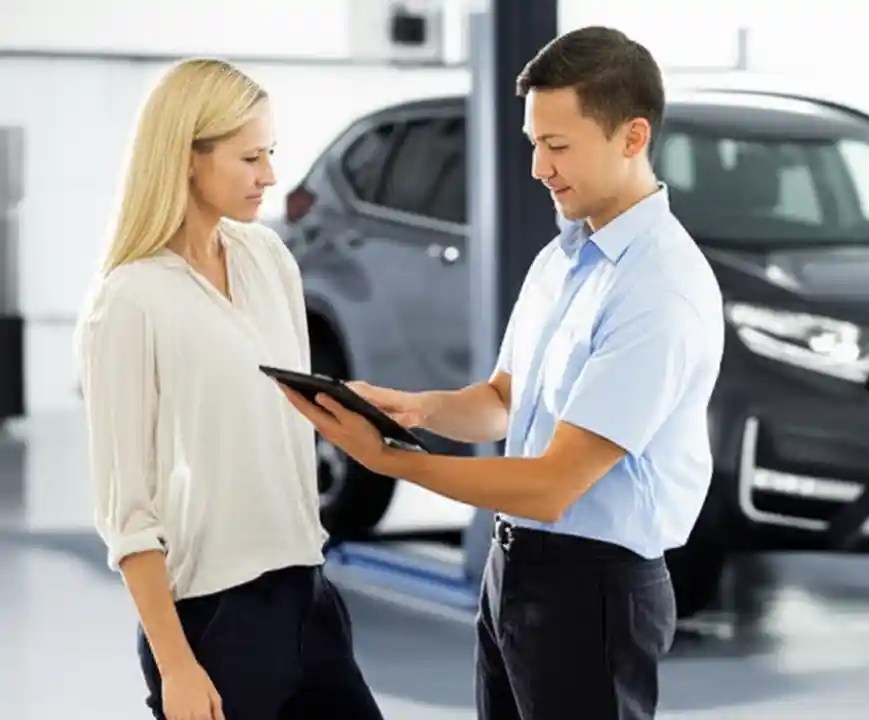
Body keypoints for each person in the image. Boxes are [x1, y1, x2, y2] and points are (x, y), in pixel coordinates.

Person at [279, 25, 725, 720]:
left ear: (633, 137)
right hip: (515, 570)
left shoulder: (657, 288)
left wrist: (393, 462)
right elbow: (502, 400)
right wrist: (412, 410)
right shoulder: (563, 259)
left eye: (557, 146)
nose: (538, 168)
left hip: (593, 590)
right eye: (533, 144)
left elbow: (552, 485)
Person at [73, 58, 384, 720]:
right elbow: (127, 511)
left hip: (310, 594)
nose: (269, 175)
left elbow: (285, 420)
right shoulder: (130, 301)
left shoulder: (269, 259)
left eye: (269, 153)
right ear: (188, 157)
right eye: (249, 158)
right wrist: (178, 665)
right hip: (212, 622)